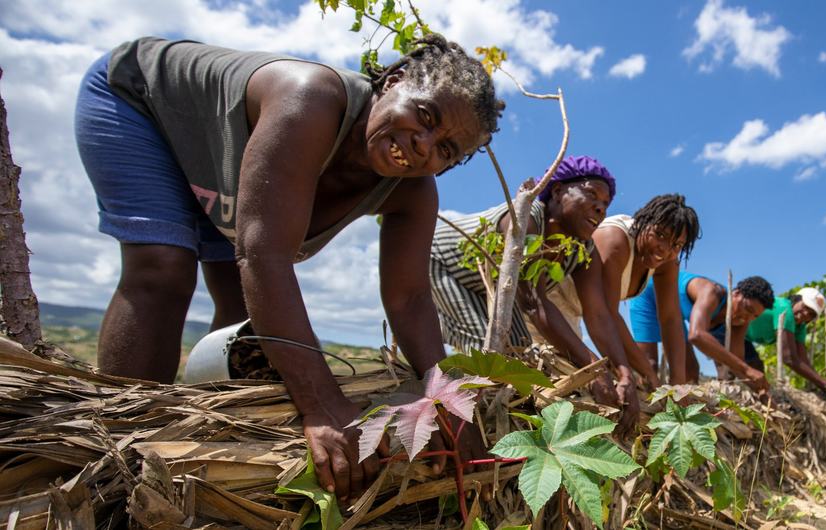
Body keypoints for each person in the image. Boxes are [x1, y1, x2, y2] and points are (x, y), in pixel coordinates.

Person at [75, 34, 502, 503]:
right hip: (142, 104)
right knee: (163, 270)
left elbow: (410, 298)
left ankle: (198, 452)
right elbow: (264, 255)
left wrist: (443, 398)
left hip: (222, 164)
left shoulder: (412, 192)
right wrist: (321, 406)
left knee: (246, 323)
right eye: (425, 117)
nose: (424, 146)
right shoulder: (311, 100)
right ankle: (113, 450)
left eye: (446, 151)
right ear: (394, 81)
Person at [429, 156, 643, 435]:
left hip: (491, 293)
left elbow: (599, 315)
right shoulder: (527, 219)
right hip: (442, 264)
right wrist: (593, 371)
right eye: (591, 194)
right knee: (494, 362)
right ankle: (462, 425)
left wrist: (624, 373)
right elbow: (532, 303)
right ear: (557, 191)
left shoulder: (583, 249)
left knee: (519, 353)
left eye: (606, 203)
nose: (600, 207)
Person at [543, 194, 702, 390]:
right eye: (660, 235)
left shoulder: (668, 260)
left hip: (578, 315)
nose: (665, 249)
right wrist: (649, 374)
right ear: (644, 222)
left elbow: (671, 319)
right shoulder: (615, 240)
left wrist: (678, 386)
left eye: (676, 245)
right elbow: (606, 315)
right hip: (547, 304)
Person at [630, 273, 774, 393]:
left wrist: (760, 391)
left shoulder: (741, 320)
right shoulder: (712, 292)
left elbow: (737, 362)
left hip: (673, 311)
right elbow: (697, 335)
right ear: (736, 294)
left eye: (754, 316)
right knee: (649, 366)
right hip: (648, 295)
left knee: (690, 372)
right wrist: (748, 369)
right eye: (748, 309)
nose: (747, 318)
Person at [744, 287, 826, 407]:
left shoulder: (799, 326)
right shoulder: (784, 309)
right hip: (731, 327)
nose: (806, 314)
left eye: (811, 314)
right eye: (805, 307)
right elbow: (789, 358)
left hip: (744, 338)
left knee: (757, 371)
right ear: (796, 299)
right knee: (738, 370)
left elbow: (803, 361)